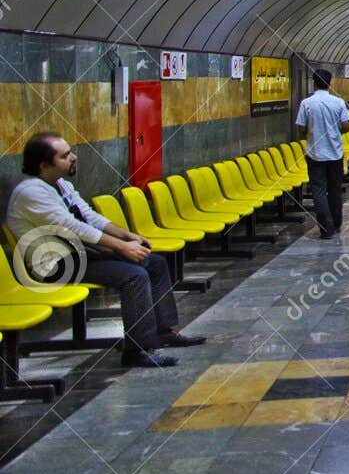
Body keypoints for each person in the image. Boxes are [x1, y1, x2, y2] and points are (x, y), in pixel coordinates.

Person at [5, 133, 204, 367]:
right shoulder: (31, 192)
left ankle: (163, 331)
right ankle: (136, 351)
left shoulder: (61, 185)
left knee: (155, 262)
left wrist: (127, 235)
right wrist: (122, 248)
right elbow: (73, 226)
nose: (73, 157)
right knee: (134, 276)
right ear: (44, 165)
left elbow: (89, 216)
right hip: (54, 264)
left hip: (78, 255)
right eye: (65, 155)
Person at [294, 69, 349, 239]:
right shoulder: (338, 102)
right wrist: (335, 131)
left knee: (318, 191)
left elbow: (301, 128)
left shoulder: (307, 103)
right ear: (330, 83)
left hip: (315, 154)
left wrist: (311, 133)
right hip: (335, 153)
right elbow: (347, 125)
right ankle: (336, 222)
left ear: (314, 83)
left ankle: (326, 229)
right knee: (335, 189)